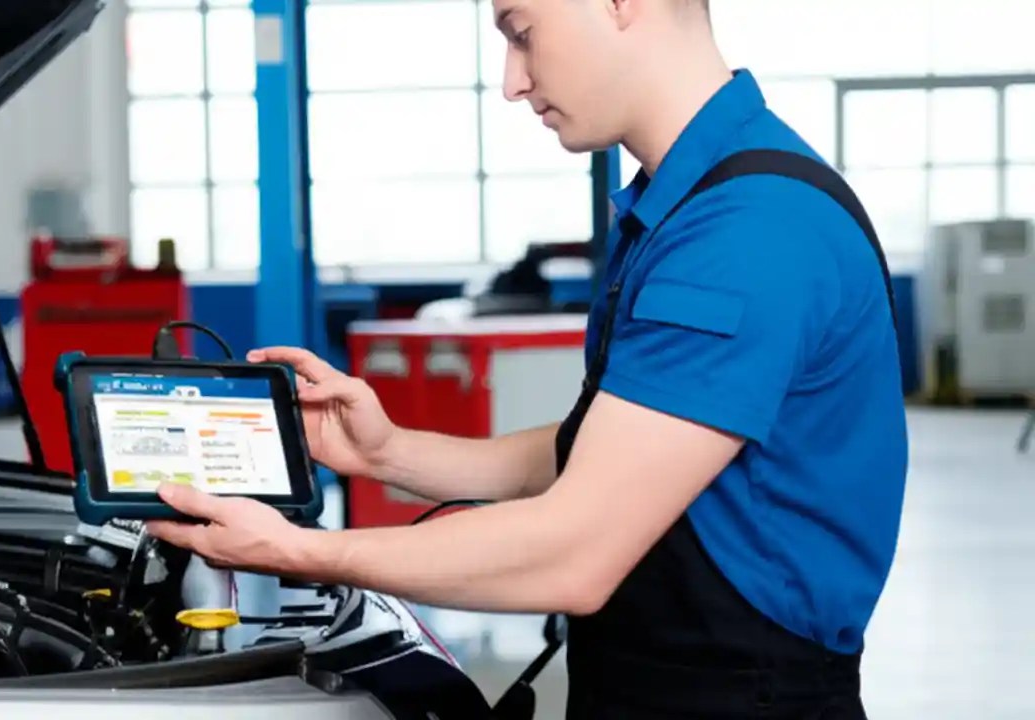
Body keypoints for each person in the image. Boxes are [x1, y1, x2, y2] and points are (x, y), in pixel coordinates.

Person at [146, 0, 909, 716]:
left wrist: (298, 550)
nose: (513, 81)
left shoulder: (745, 231)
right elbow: (607, 451)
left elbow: (577, 552)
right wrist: (390, 454)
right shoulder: (686, 206)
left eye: (521, 31)